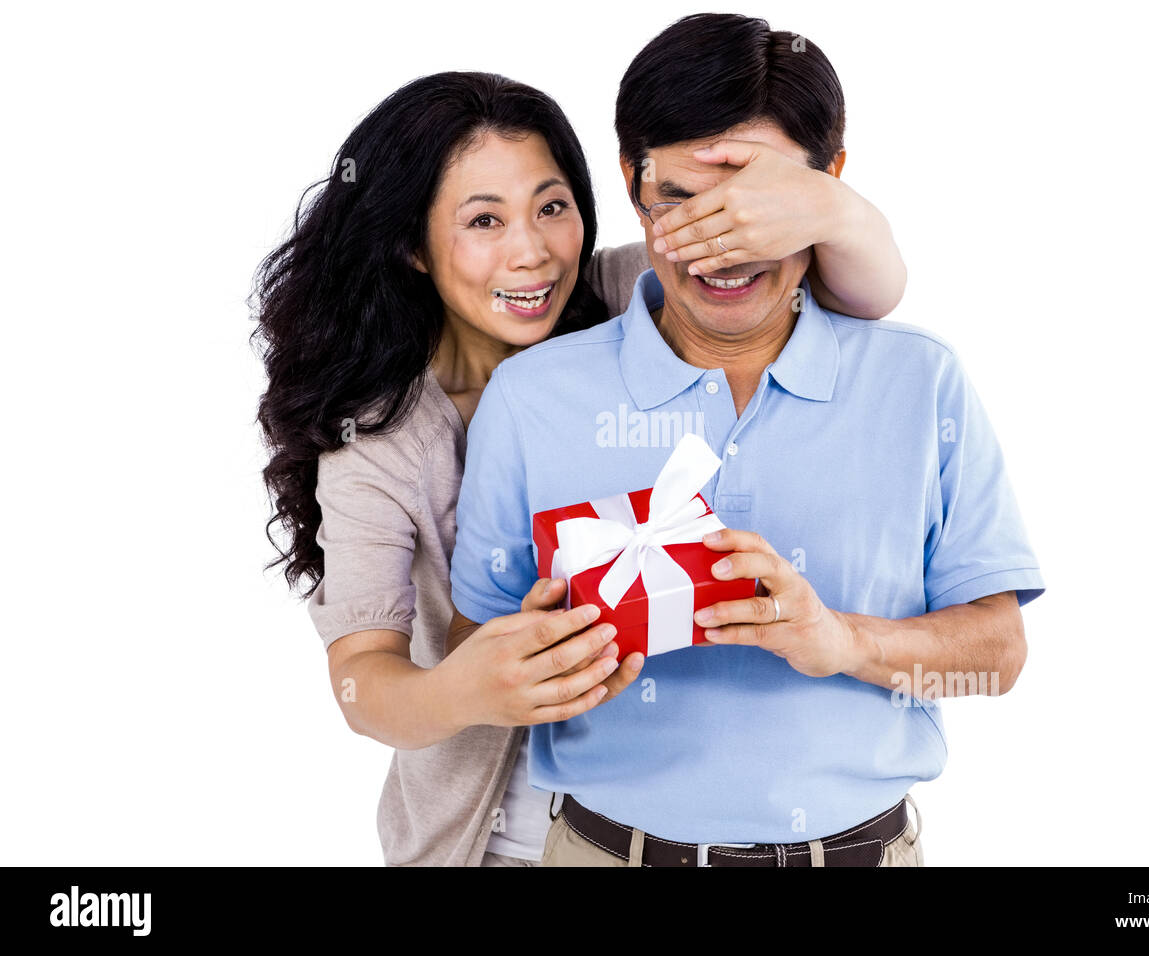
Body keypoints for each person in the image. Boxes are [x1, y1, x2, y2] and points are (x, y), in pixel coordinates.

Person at [253, 69, 910, 866]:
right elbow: (364, 683)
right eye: (484, 220)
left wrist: (828, 202)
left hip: (674, 819)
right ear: (411, 245)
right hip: (496, 837)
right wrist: (467, 686)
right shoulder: (381, 445)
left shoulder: (621, 291)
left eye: (552, 207)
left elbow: (859, 288)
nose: (531, 254)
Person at [447, 13, 1045, 867]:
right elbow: (475, 650)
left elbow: (997, 659)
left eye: (754, 207)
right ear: (631, 183)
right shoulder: (533, 395)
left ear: (829, 185)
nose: (718, 248)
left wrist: (842, 642)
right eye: (682, 201)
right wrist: (545, 659)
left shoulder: (921, 383)